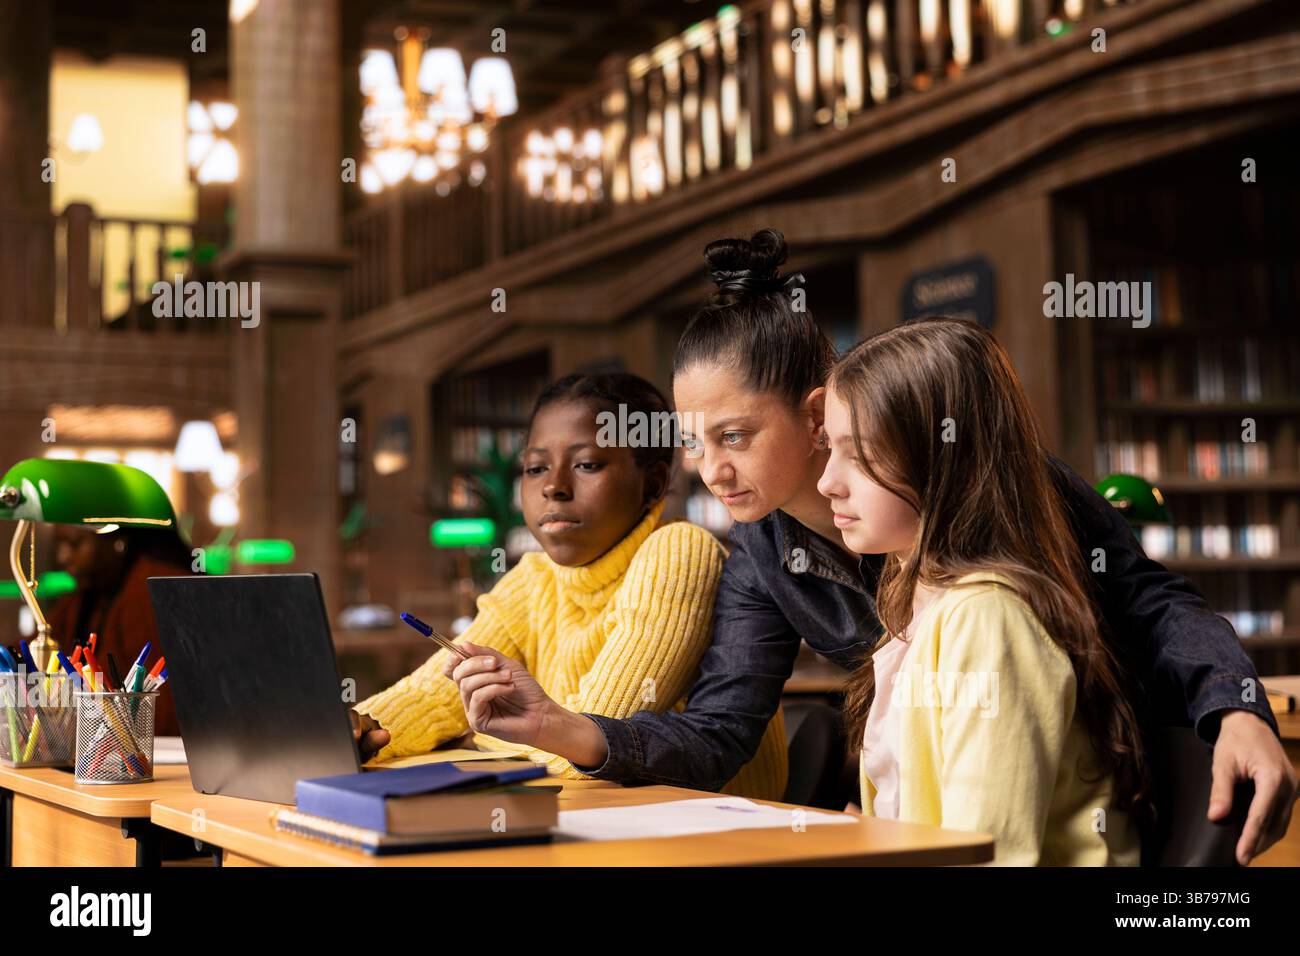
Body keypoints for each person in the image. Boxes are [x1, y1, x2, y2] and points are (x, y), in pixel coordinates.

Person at [445, 229, 1295, 863]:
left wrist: (1236, 705)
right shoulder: (764, 551)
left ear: (816, 414)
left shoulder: (978, 522)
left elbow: (1146, 598)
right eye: (696, 443)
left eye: (735, 436)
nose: (711, 471)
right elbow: (719, 731)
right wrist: (566, 728)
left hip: (1103, 785)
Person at [350, 371, 787, 800]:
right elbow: (435, 694)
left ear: (652, 483)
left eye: (586, 465)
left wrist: (474, 739)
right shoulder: (534, 578)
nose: (554, 487)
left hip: (712, 834)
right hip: (598, 820)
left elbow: (593, 735)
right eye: (536, 467)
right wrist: (360, 729)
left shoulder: (677, 551)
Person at [820, 317, 1143, 864]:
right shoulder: (919, 606)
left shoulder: (987, 618)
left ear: (942, 458)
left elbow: (989, 857)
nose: (829, 480)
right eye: (830, 448)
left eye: (860, 454)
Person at [46, 524, 195, 737]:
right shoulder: (87, 594)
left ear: (117, 541)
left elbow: (162, 715)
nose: (63, 557)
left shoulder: (148, 591)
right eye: (59, 544)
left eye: (74, 543)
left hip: (148, 753)